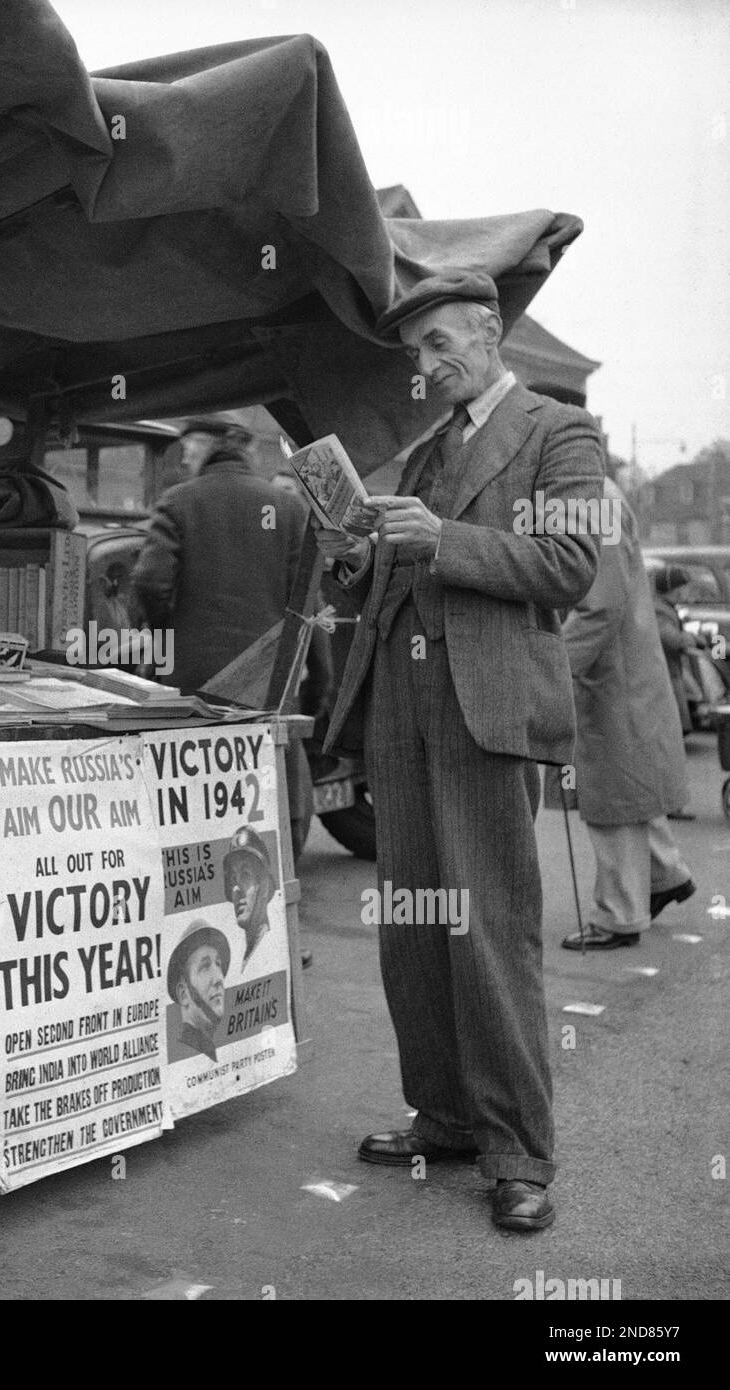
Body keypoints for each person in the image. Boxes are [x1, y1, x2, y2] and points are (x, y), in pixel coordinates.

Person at [319, 270, 605, 1233]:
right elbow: (403, 569)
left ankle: (518, 1151)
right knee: (412, 925)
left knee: (487, 931)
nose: (427, 364)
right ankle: (442, 1115)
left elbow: (569, 569)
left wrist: (442, 540)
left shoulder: (558, 429)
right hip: (403, 703)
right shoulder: (429, 446)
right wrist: (361, 555)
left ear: (489, 333)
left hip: (487, 709)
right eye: (416, 354)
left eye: (441, 343)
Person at [133, 417, 315, 862]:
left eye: (191, 446)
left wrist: (164, 640)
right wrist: (315, 686)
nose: (186, 456)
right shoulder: (288, 509)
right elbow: (306, 607)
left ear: (216, 445)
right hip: (266, 684)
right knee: (266, 795)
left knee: (191, 797)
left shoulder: (179, 501)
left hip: (192, 681)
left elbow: (149, 582)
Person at [557, 479, 696, 950]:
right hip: (622, 670)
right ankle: (664, 875)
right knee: (632, 784)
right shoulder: (601, 491)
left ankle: (619, 916)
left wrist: (554, 669)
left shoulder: (591, 498)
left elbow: (599, 606)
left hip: (609, 673)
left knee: (609, 798)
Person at [167, 923, 230, 1062]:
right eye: (205, 967)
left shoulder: (206, 1052)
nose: (219, 978)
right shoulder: (185, 1057)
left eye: (218, 964)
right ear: (183, 995)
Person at [652, 564, 698, 735]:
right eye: (684, 588)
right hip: (665, 672)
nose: (686, 592)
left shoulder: (665, 608)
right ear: (675, 589)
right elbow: (672, 640)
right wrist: (691, 639)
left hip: (670, 670)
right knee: (672, 725)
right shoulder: (660, 610)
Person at [222, 826, 277, 970]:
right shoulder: (247, 956)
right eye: (233, 878)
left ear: (264, 886)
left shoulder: (270, 951)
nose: (236, 888)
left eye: (245, 875)